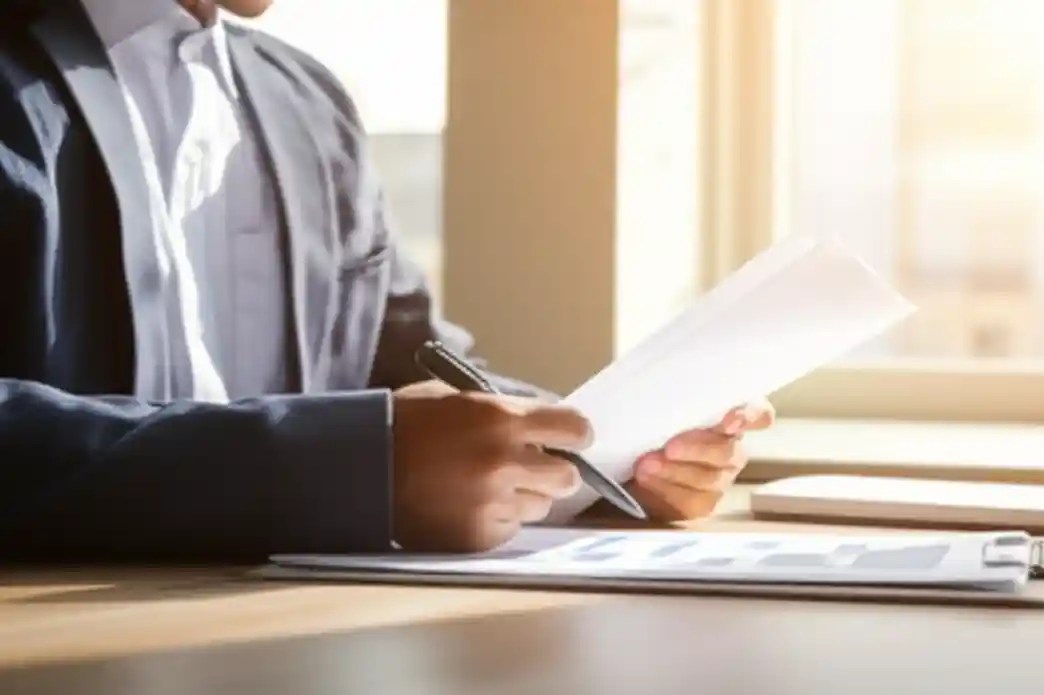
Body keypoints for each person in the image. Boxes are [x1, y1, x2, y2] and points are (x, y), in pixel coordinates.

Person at [0, 0, 774, 559]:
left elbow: (416, 365)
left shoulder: (305, 100)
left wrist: (611, 460)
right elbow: (383, 447)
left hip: (287, 641)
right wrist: (354, 467)